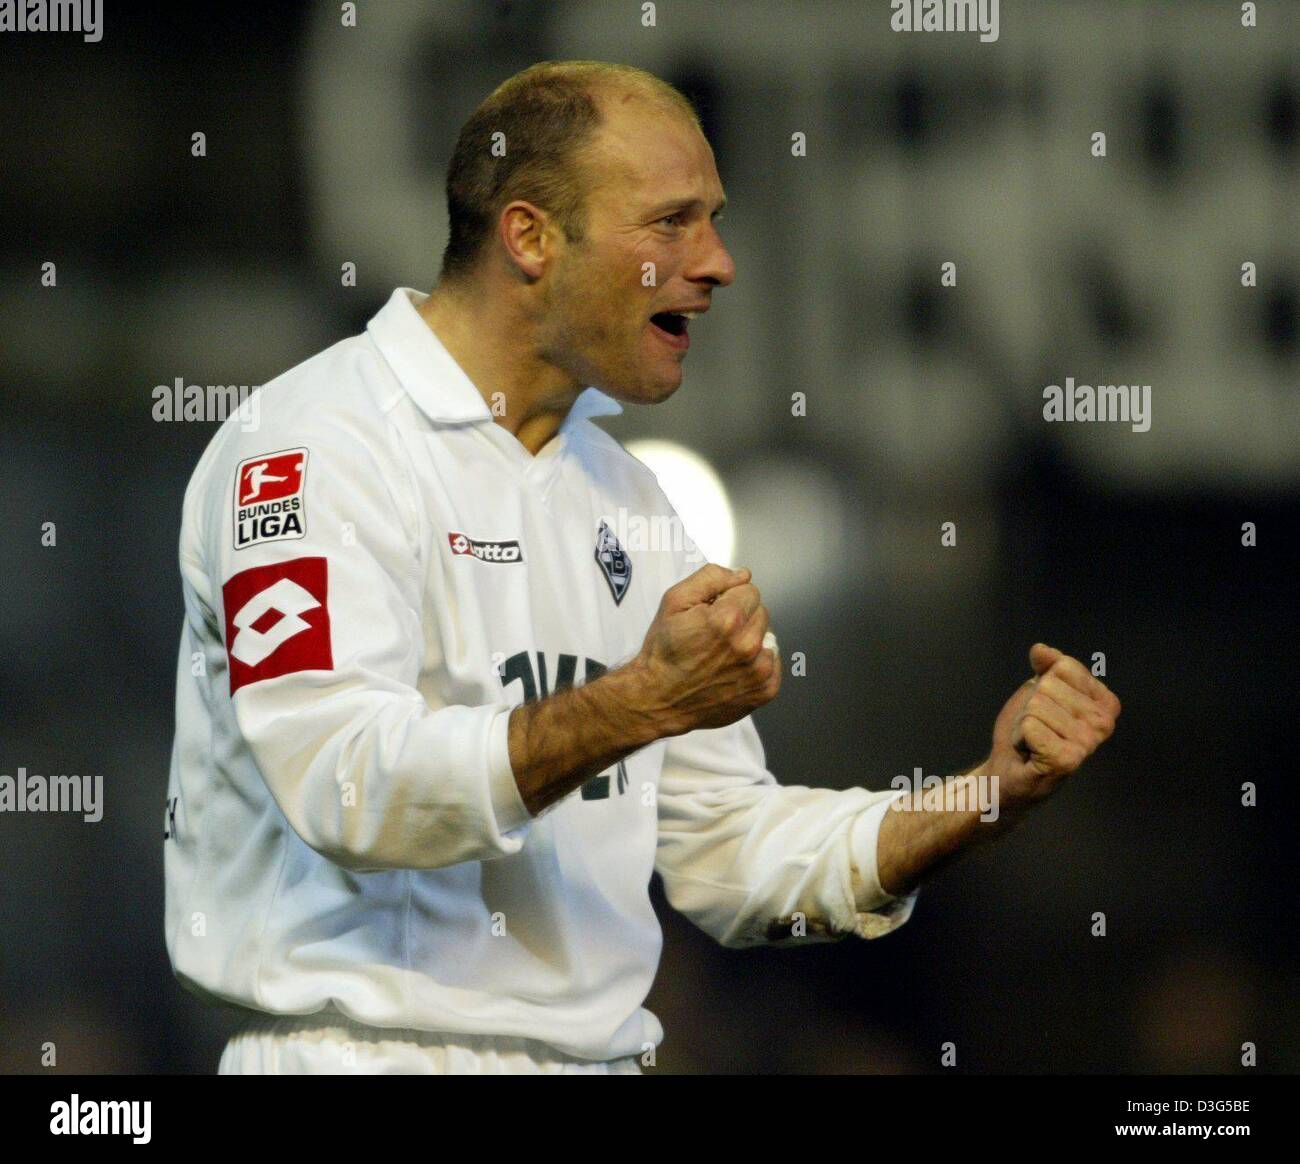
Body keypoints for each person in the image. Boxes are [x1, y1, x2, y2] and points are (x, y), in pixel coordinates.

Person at [164, 60, 1121, 1075]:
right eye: (671, 223)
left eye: (713, 221)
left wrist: (984, 796)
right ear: (530, 236)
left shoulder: (629, 498)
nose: (718, 263)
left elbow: (732, 855)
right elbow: (348, 787)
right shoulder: (315, 448)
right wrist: (639, 703)